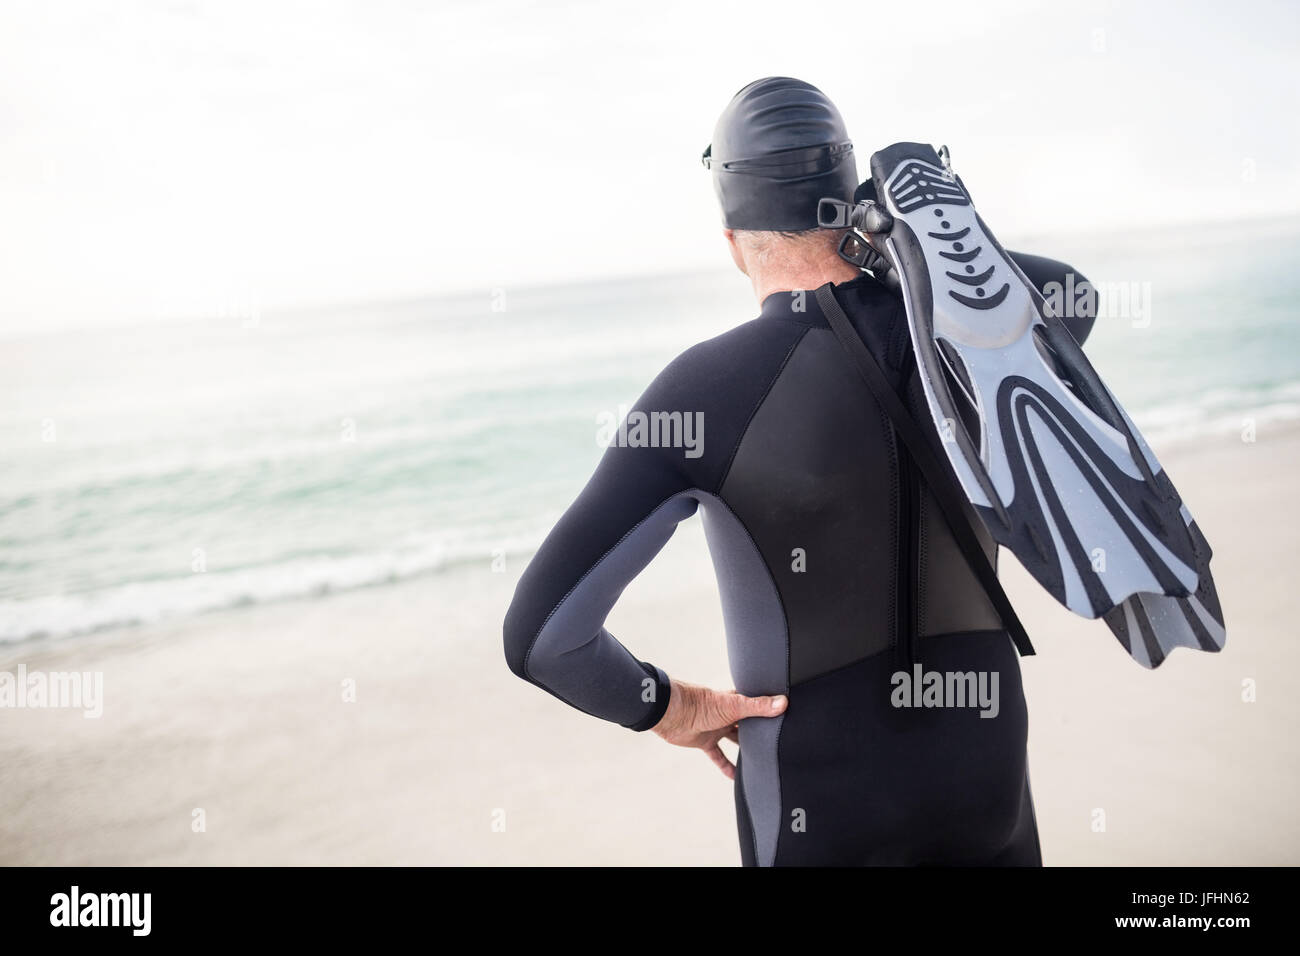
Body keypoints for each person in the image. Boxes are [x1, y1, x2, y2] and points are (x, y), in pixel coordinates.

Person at [503, 76, 1096, 866]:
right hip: (986, 792)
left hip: (820, 820)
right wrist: (910, 244)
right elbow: (1076, 298)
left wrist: (665, 705)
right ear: (851, 204)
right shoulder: (964, 342)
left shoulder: (703, 392)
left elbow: (542, 637)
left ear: (730, 237)